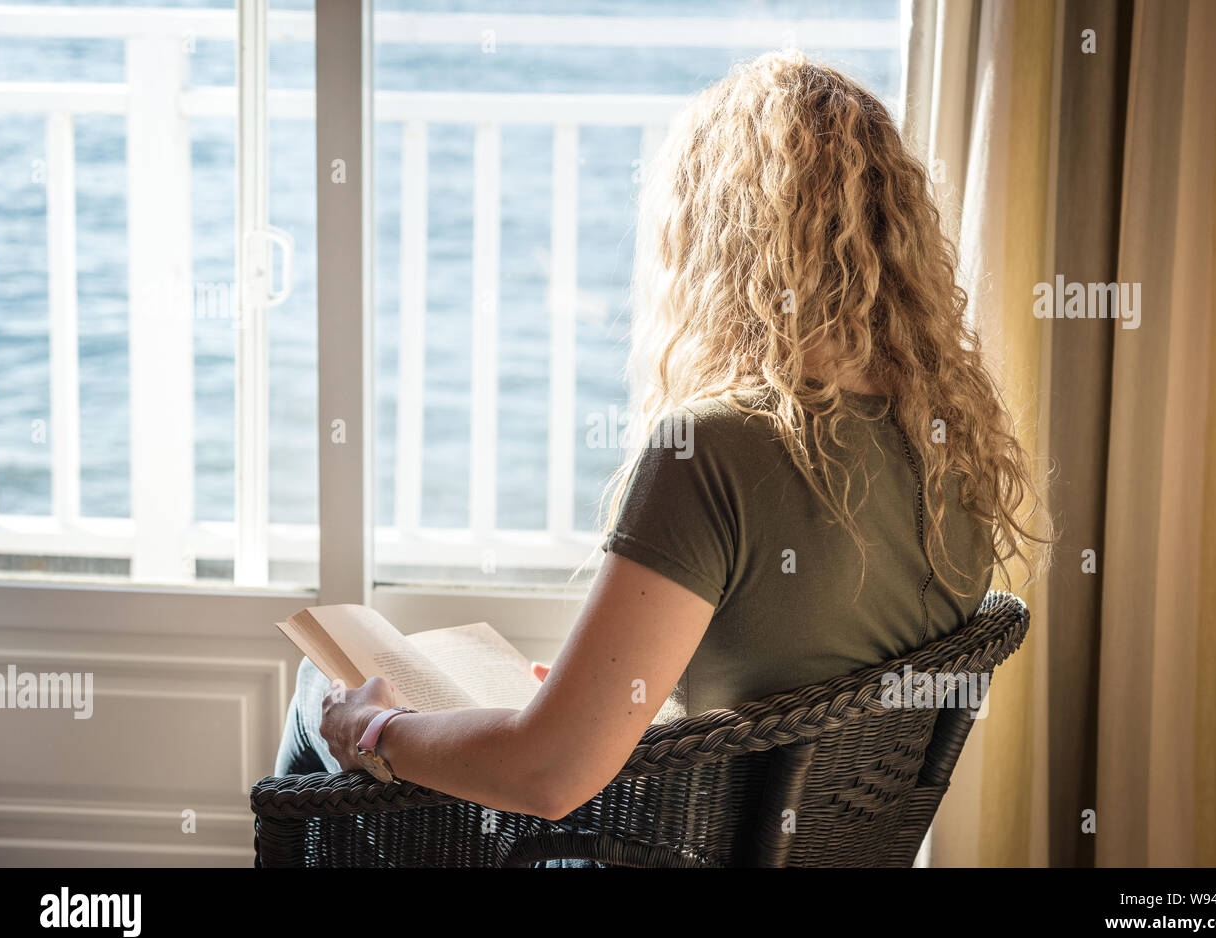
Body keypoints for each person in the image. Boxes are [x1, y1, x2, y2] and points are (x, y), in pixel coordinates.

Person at [276, 50, 1050, 846]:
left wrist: (376, 730)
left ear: (724, 236)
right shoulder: (954, 443)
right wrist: (631, 701)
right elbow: (799, 672)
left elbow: (549, 776)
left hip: (633, 853)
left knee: (321, 699)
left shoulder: (716, 448)